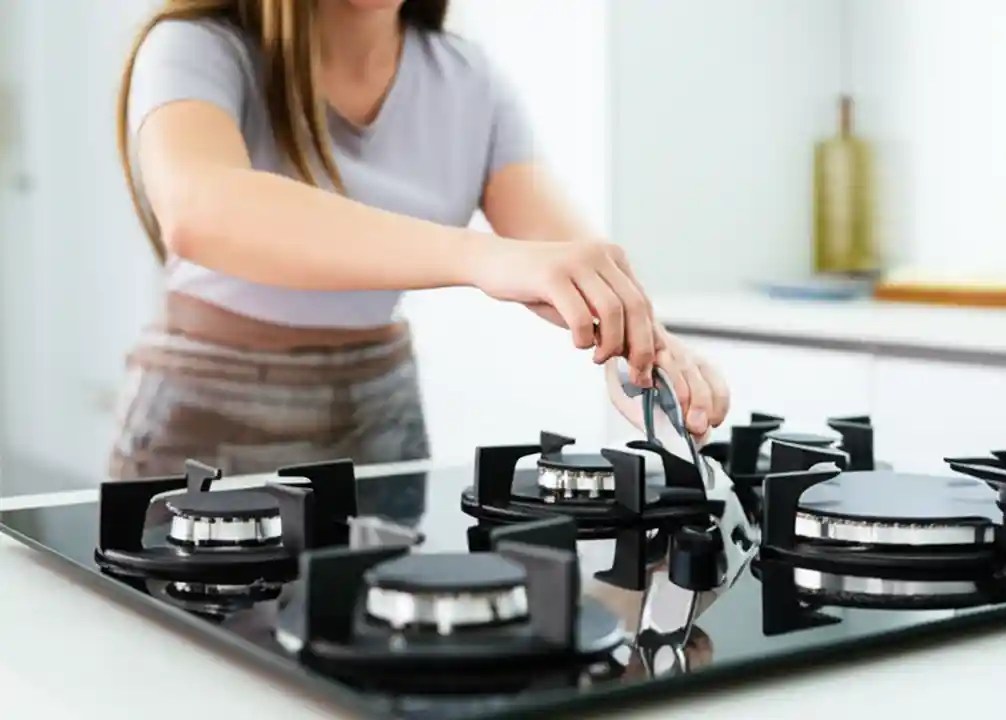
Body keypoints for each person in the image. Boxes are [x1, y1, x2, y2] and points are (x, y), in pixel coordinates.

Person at [107, 0, 729, 480]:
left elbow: (558, 254)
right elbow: (200, 209)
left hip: (381, 409)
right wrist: (483, 257)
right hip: (208, 412)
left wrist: (649, 348)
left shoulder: (469, 79)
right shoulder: (197, 47)